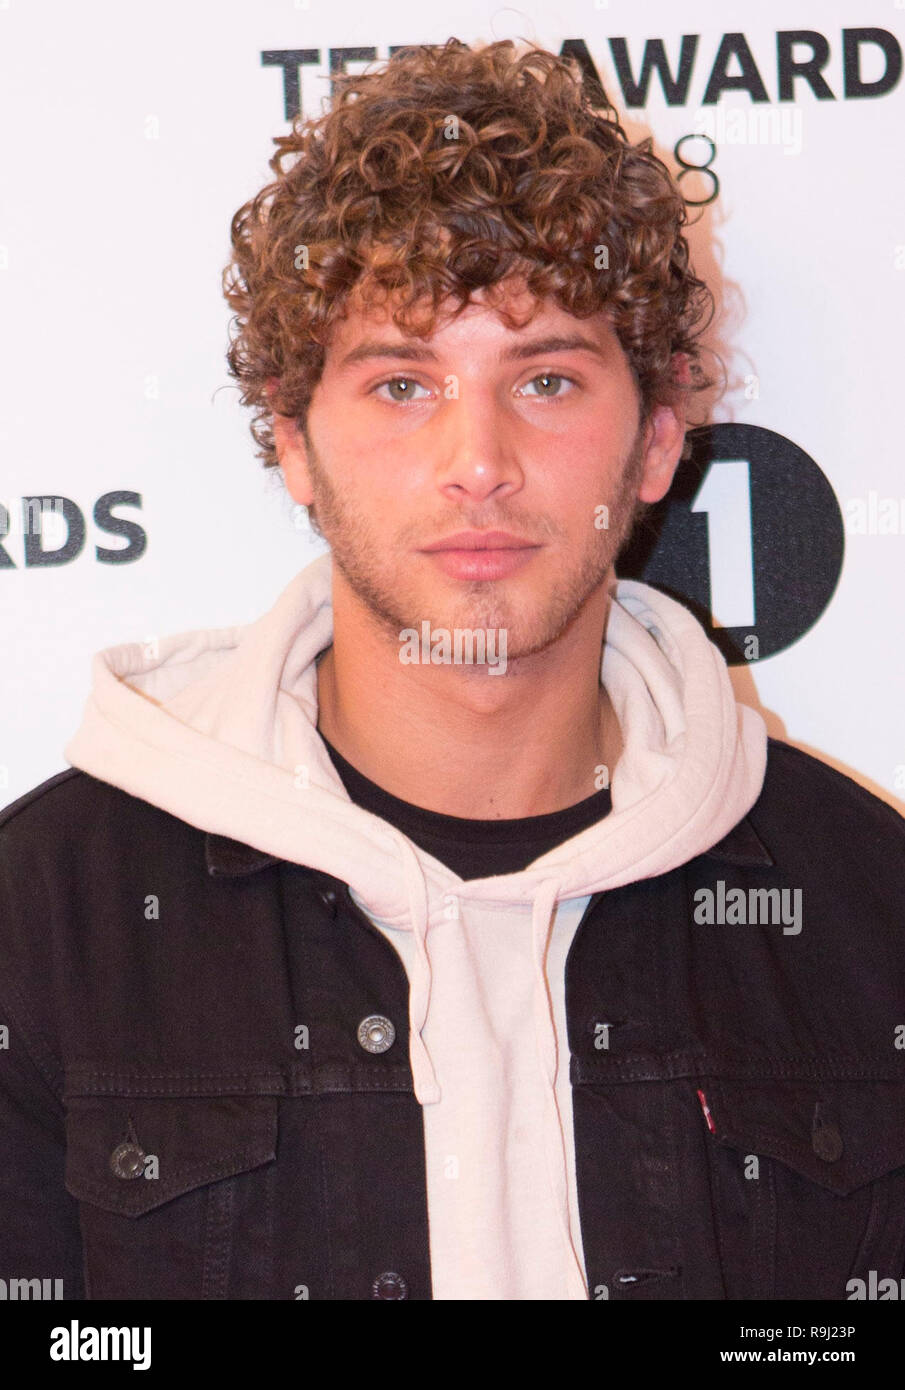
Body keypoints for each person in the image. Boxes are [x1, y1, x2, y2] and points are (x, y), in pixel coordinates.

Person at [1, 37, 904, 1304]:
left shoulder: (865, 911)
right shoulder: (46, 920)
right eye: (400, 383)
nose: (474, 459)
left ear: (655, 442)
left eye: (543, 378)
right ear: (293, 447)